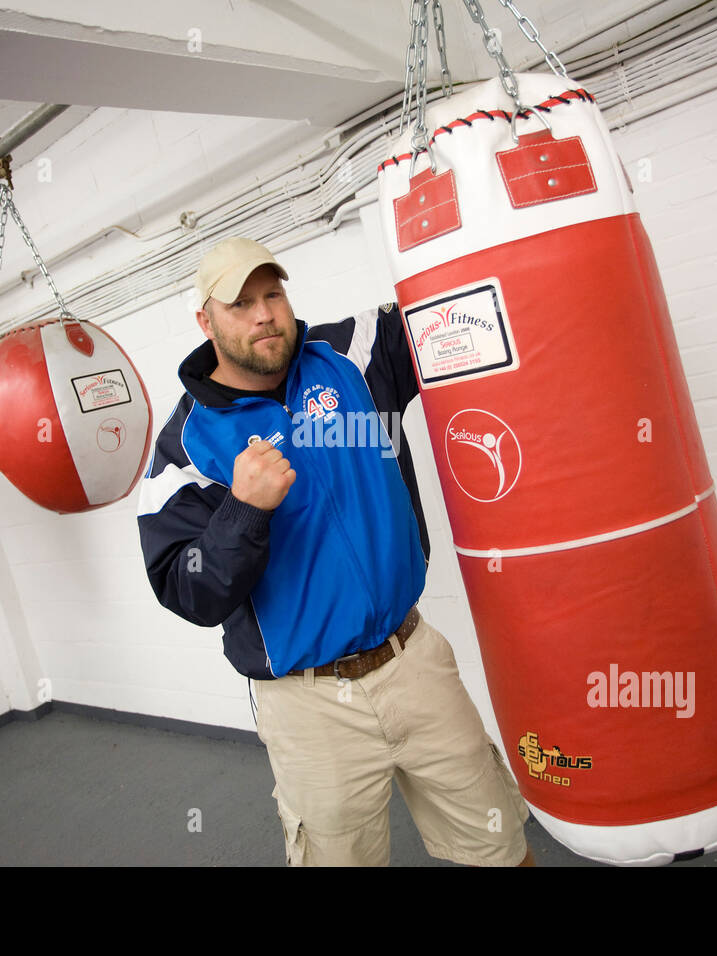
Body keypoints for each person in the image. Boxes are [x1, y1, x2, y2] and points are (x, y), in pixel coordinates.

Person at [136, 237, 533, 866]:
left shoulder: (353, 357)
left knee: (498, 848)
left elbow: (454, 307)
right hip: (309, 706)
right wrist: (244, 510)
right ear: (206, 321)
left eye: (273, 294)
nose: (265, 314)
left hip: (414, 662)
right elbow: (189, 592)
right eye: (241, 303)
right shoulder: (182, 450)